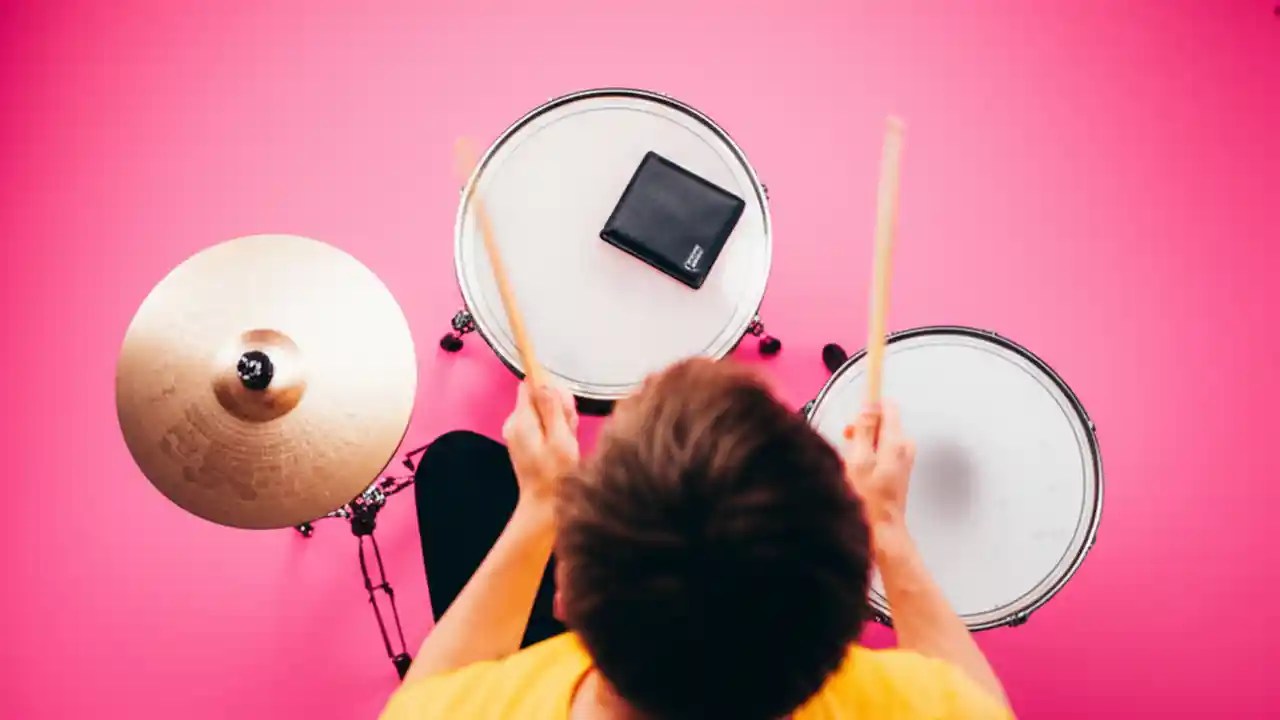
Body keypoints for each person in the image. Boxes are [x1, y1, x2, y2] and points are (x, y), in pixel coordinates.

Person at [383, 359, 1012, 719]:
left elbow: (425, 700)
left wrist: (539, 509)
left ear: (565, 591)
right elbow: (977, 703)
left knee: (459, 467)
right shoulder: (920, 704)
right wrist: (891, 530)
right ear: (850, 614)